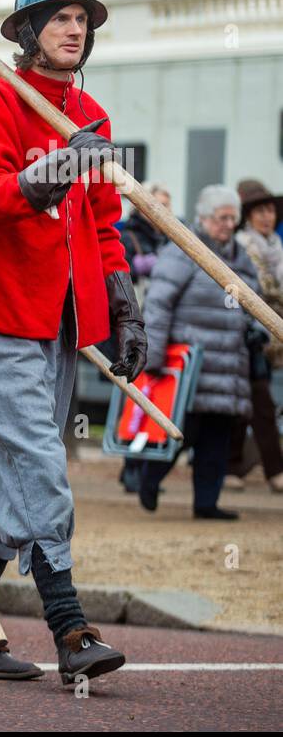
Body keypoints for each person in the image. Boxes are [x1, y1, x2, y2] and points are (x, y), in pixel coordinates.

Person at [0, 0, 141, 684]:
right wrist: (54, 167)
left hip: (61, 321)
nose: (74, 29)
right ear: (28, 29)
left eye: (82, 17)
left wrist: (122, 300)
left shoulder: (91, 114)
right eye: (60, 16)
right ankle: (70, 625)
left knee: (10, 477)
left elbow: (106, 222)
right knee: (40, 465)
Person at [138, 184, 259, 520]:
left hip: (228, 364)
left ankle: (207, 502)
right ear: (204, 218)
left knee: (217, 440)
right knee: (181, 432)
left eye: (233, 218)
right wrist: (154, 355)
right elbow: (159, 304)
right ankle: (149, 477)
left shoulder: (239, 255)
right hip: (189, 365)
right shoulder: (183, 250)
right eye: (222, 218)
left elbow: (255, 301)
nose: (228, 225)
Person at [226, 178, 283, 492]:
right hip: (249, 335)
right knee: (256, 400)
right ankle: (274, 470)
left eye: (270, 210)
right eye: (260, 211)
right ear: (248, 216)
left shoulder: (276, 247)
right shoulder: (243, 246)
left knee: (247, 401)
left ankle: (233, 466)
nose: (267, 216)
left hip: (271, 334)